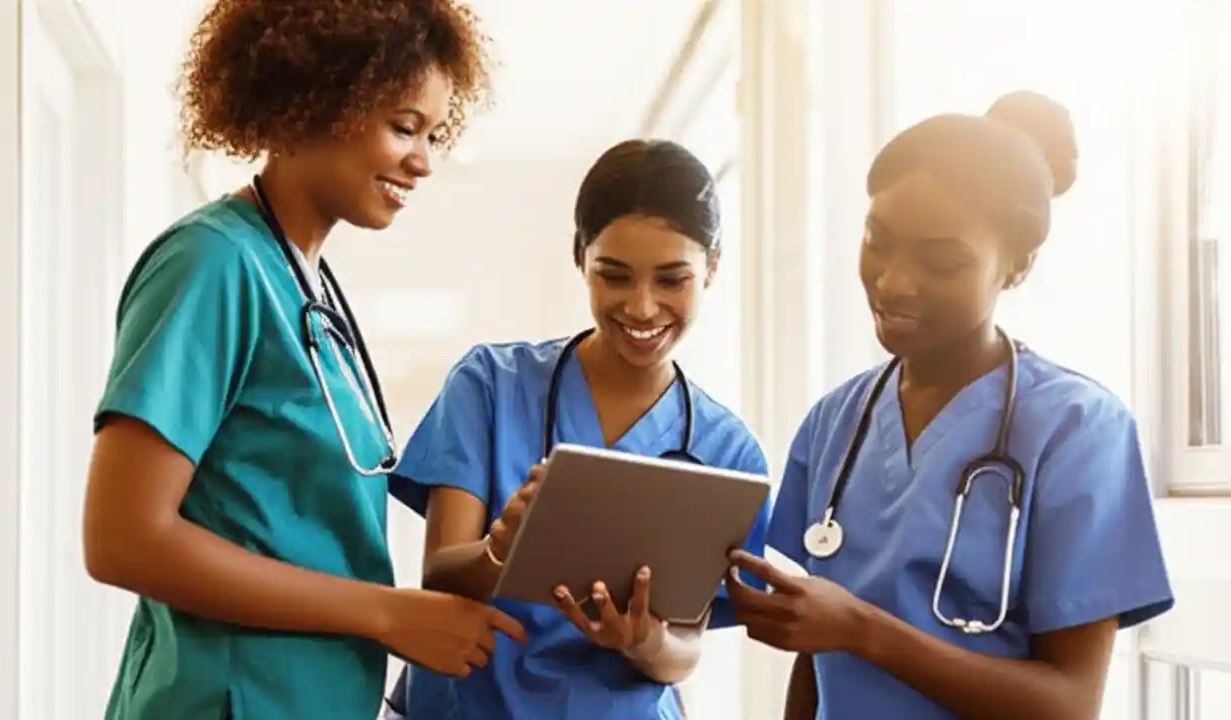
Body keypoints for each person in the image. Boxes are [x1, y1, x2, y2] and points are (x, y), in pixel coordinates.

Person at [80, 3, 525, 719]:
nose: (424, 161)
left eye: (434, 134)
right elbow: (122, 539)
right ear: (312, 100)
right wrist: (387, 613)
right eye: (403, 126)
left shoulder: (309, 287)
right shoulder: (213, 263)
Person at [724, 91, 1174, 719]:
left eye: (940, 261)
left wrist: (863, 631)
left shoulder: (1078, 429)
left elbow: (1069, 705)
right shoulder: (836, 421)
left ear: (1016, 267)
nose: (893, 281)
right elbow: (817, 654)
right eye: (877, 240)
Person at [384, 138, 773, 719]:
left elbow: (684, 648)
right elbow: (439, 574)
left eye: (672, 280)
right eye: (614, 276)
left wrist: (643, 641)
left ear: (711, 268)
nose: (642, 307)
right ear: (579, 256)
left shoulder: (726, 450)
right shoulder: (490, 385)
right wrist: (498, 550)